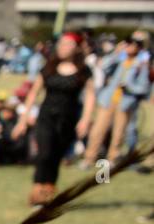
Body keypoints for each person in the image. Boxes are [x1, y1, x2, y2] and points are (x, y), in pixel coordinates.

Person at [15, 32, 95, 206]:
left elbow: (90, 95)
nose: (63, 48)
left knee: (56, 156)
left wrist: (86, 119)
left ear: (76, 49)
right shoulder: (49, 67)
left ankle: (49, 190)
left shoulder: (83, 70)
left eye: (67, 45)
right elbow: (34, 92)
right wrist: (24, 118)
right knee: (44, 153)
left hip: (68, 119)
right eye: (61, 44)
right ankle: (37, 191)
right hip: (46, 117)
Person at [84, 35, 149, 167]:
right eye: (128, 43)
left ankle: (112, 159)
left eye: (134, 44)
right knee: (98, 130)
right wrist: (116, 52)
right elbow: (103, 66)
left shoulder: (141, 65)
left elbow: (143, 87)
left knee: (118, 133)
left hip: (125, 102)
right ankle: (89, 157)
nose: (130, 46)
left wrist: (129, 86)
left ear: (139, 48)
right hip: (108, 100)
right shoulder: (119, 60)